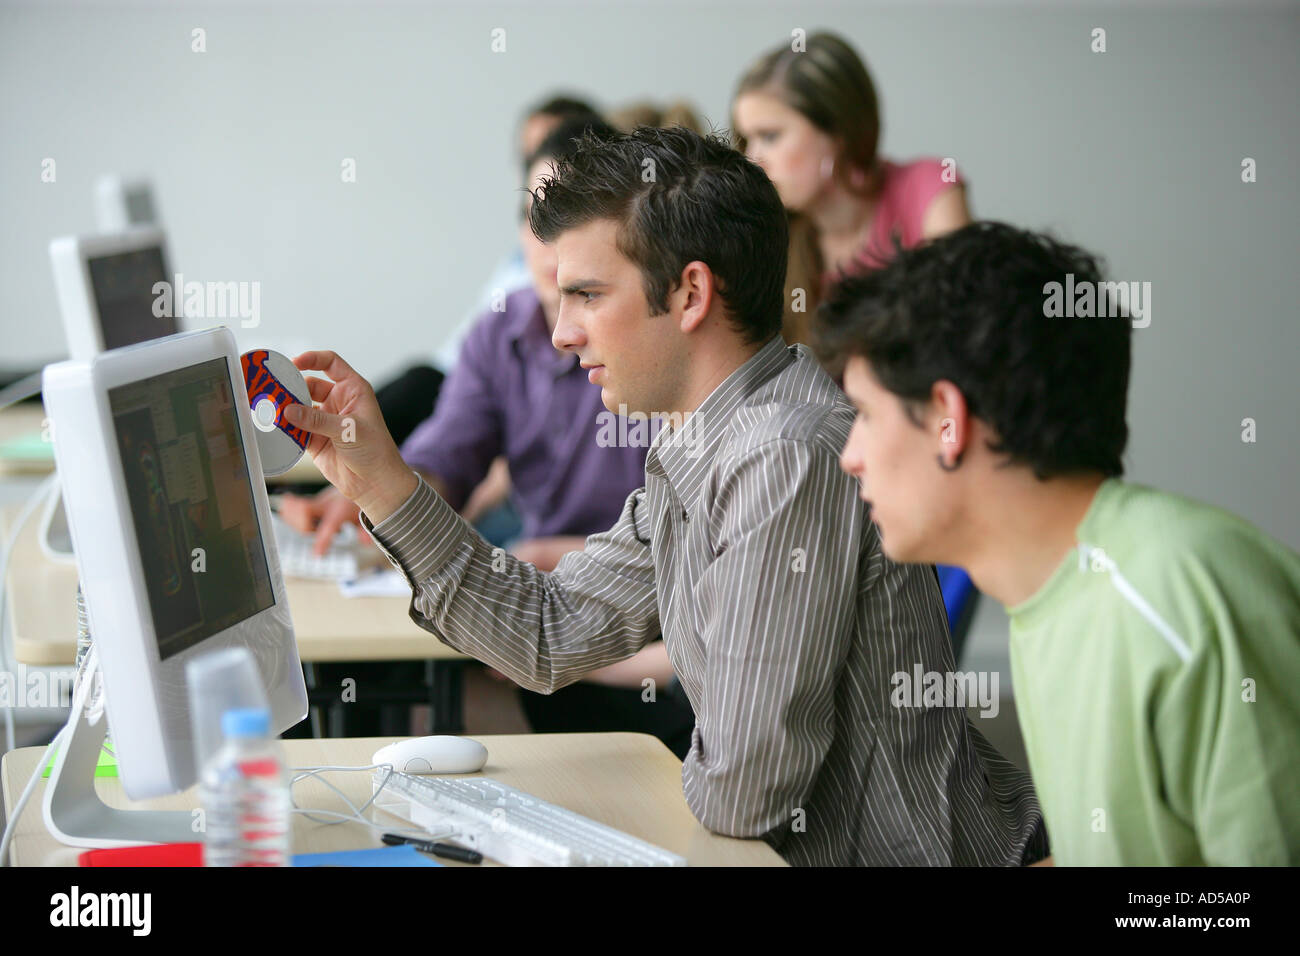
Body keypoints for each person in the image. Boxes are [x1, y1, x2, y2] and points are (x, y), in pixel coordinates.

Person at [281, 126, 1046, 866]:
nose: (562, 334)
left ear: (689, 294)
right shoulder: (703, 440)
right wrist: (381, 483)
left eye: (586, 294)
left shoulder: (779, 454)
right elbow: (548, 633)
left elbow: (745, 792)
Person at [817, 221, 1300, 865]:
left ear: (947, 420)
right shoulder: (1045, 592)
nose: (850, 457)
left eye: (866, 417)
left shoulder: (1180, 590)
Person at [284, 116, 695, 755]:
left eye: (568, 225)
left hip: (623, 634)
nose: (546, 245)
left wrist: (550, 557)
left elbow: (674, 570)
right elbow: (449, 455)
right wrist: (373, 490)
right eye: (537, 218)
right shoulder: (499, 334)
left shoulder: (673, 377)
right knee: (368, 687)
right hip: (580, 607)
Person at [733, 31, 970, 354]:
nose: (753, 158)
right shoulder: (767, 235)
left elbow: (958, 333)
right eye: (747, 139)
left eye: (770, 136)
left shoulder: (929, 190)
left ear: (837, 131)